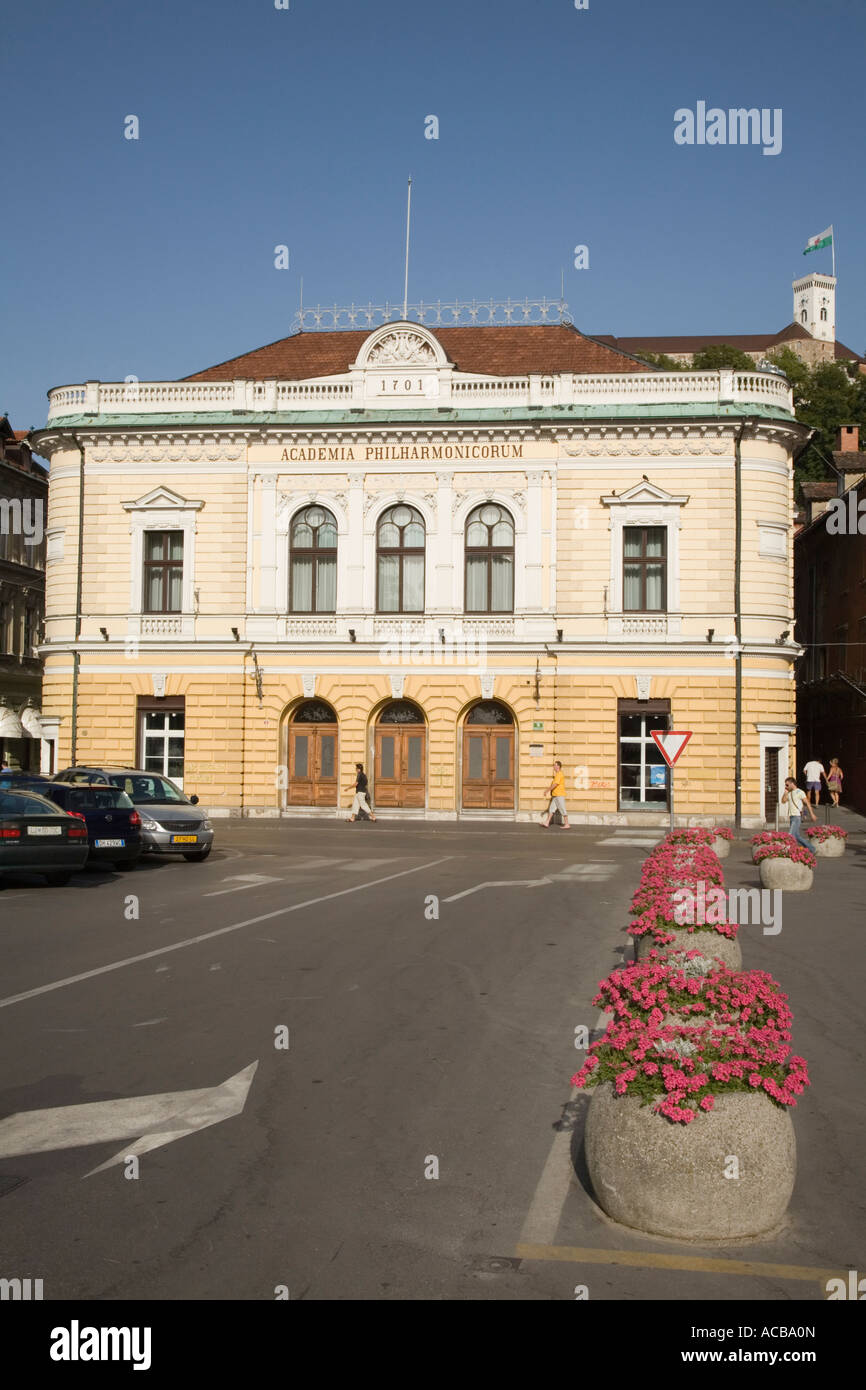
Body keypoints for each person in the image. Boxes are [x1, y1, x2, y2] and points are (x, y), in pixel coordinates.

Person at [781, 777, 817, 850]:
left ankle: (787, 851)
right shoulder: (789, 793)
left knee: (790, 835)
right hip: (791, 816)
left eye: (787, 785)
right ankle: (812, 849)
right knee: (797, 836)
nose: (786, 787)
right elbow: (783, 801)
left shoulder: (800, 792)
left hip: (797, 817)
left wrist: (812, 814)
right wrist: (785, 793)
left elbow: (807, 803)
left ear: (792, 784)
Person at [541, 759, 569, 828]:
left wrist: (547, 790)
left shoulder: (559, 774)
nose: (553, 766)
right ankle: (547, 822)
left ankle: (567, 824)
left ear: (558, 766)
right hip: (555, 795)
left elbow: (555, 784)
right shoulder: (557, 774)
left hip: (559, 795)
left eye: (555, 765)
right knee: (551, 809)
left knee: (562, 809)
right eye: (554, 765)